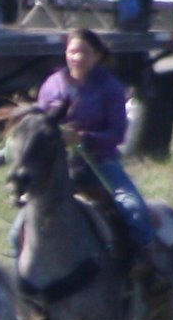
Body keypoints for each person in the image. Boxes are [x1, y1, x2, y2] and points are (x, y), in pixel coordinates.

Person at [31, 28, 161, 280]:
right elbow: (39, 124)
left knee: (132, 207)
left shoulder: (110, 88)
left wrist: (84, 139)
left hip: (99, 163)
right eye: (72, 51)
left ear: (97, 56)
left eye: (84, 52)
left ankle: (147, 263)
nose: (77, 58)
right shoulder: (52, 86)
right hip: (59, 167)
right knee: (22, 223)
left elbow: (117, 134)